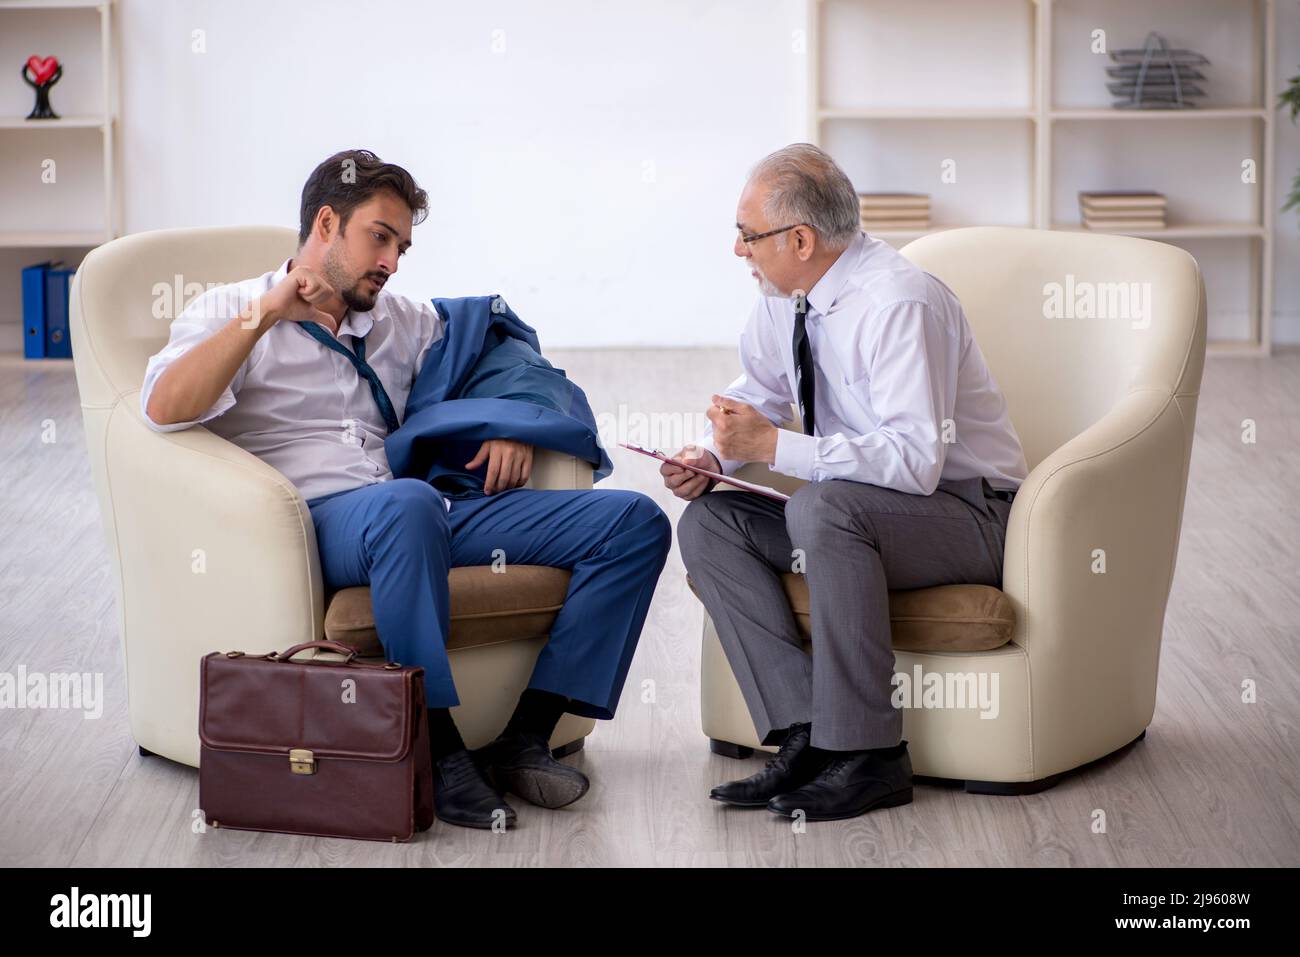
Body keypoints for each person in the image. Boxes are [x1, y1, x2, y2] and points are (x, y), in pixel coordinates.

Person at [143, 149, 671, 830]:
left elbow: (503, 342)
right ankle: (439, 748)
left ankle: (527, 734)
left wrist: (511, 422)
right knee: (407, 505)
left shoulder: (399, 319)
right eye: (380, 237)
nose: (392, 261)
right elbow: (164, 405)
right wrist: (265, 314)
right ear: (326, 223)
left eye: (402, 246)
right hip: (319, 526)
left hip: (424, 515)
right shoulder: (231, 309)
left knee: (634, 521)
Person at [663, 144, 1027, 822]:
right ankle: (806, 732)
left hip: (967, 514)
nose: (738, 249)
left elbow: (916, 462)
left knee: (825, 510)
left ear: (800, 239)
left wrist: (774, 446)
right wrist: (713, 458)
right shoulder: (782, 297)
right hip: (859, 511)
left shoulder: (899, 302)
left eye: (748, 234)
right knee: (710, 522)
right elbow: (762, 397)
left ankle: (870, 755)